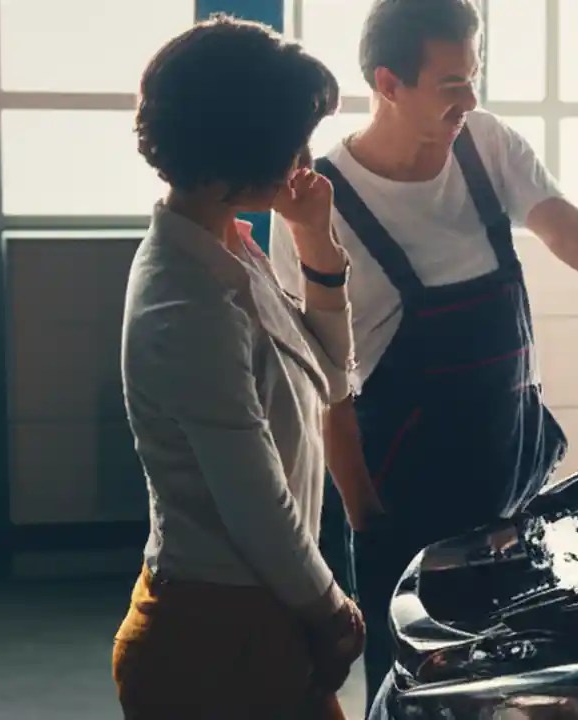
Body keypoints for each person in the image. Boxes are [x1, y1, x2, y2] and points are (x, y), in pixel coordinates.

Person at [268, 0, 578, 710]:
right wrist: (364, 520)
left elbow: (568, 231)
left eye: (474, 78)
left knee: (519, 675)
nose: (469, 99)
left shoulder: (486, 145)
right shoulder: (322, 202)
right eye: (450, 85)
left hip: (511, 465)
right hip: (400, 488)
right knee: (414, 683)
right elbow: (318, 378)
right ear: (388, 84)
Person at [113, 15, 366, 719]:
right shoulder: (184, 300)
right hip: (213, 632)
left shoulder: (227, 247)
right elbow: (253, 500)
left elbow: (332, 377)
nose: (304, 159)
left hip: (263, 606)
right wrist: (333, 609)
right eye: (295, 141)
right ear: (244, 146)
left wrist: (314, 238)